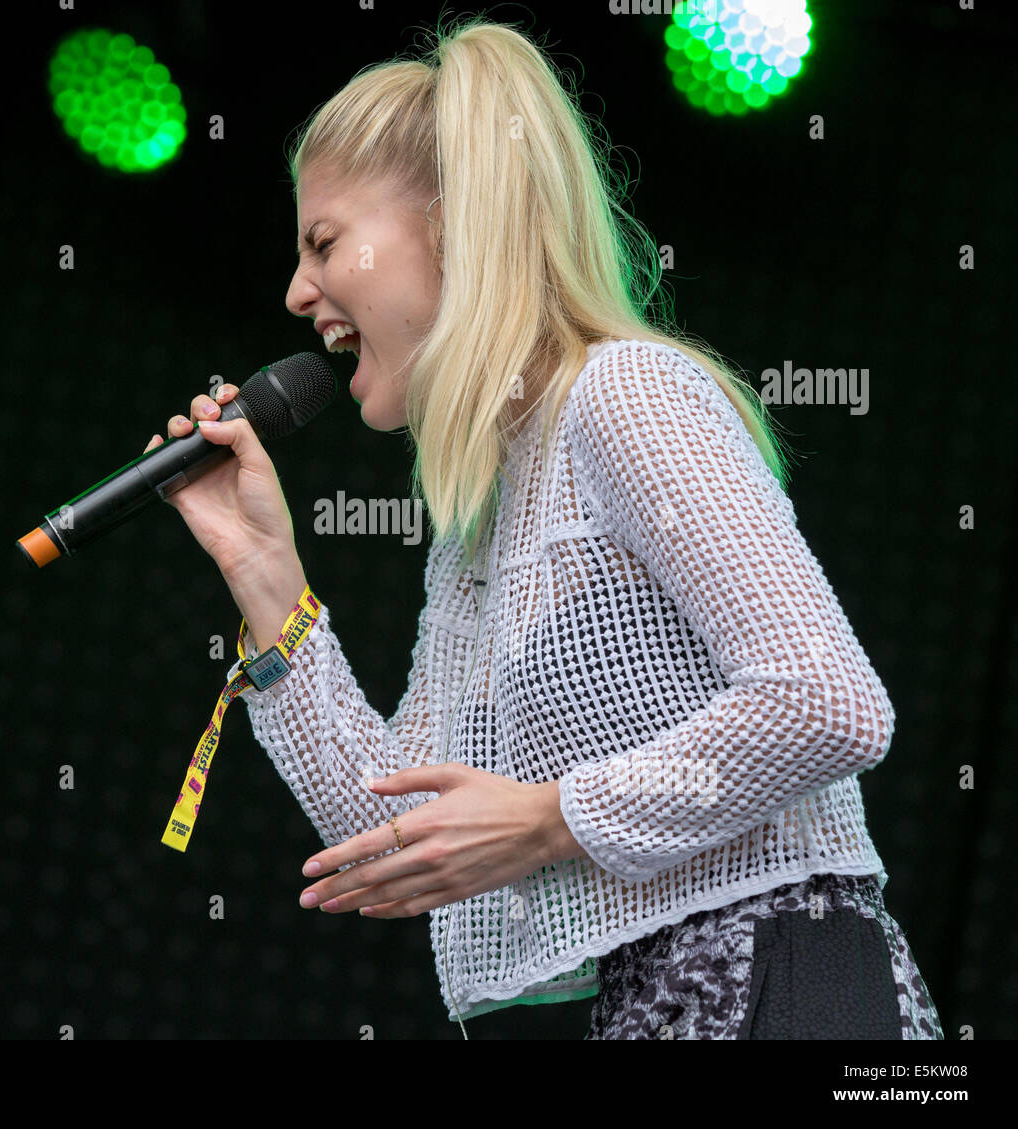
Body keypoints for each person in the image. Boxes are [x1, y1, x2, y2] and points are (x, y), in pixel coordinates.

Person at [144, 18, 943, 1040]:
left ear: (452, 223)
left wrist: (550, 817)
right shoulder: (478, 521)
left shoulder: (624, 395)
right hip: (651, 1005)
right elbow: (395, 839)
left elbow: (829, 705)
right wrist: (262, 567)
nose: (298, 292)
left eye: (325, 243)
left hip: (781, 974)